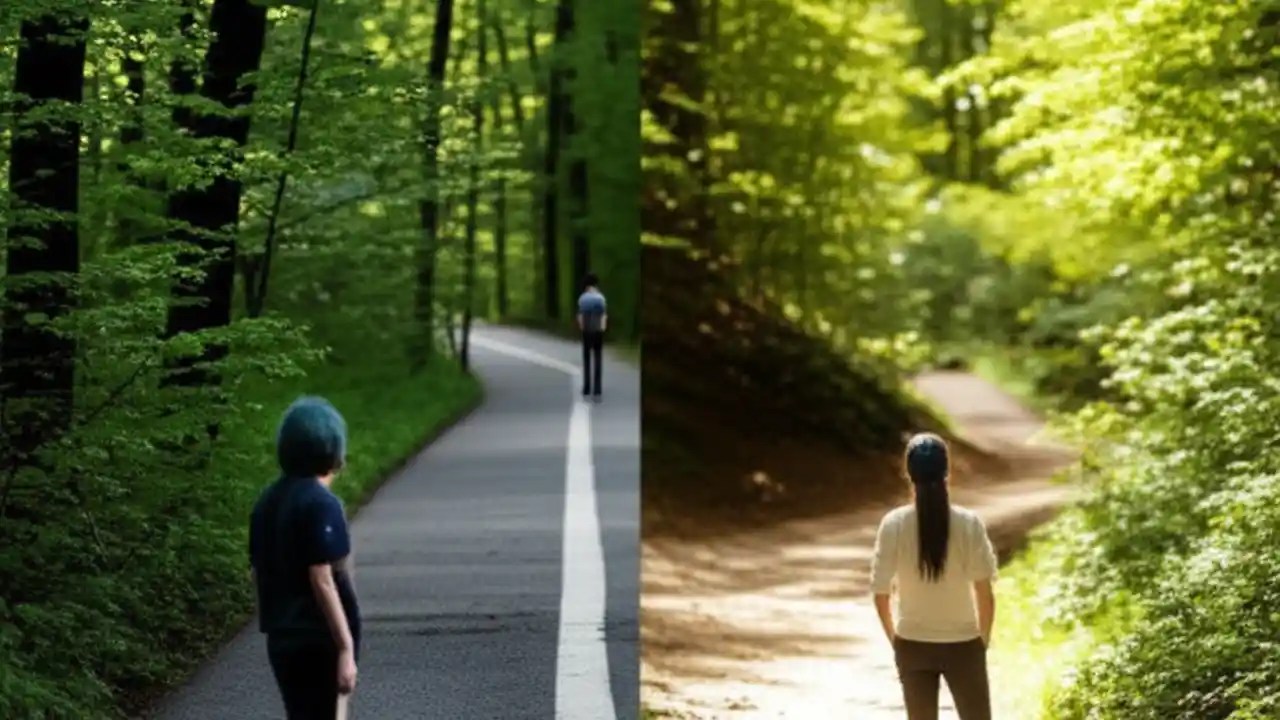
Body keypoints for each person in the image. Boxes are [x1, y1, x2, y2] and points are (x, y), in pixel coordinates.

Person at [870, 432, 997, 720]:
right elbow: (984, 593)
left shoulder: (893, 525)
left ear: (908, 473)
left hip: (912, 642)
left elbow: (880, 593)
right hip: (964, 644)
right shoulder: (968, 524)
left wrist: (897, 641)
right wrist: (982, 643)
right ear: (947, 472)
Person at [250, 396, 362, 719]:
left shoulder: (266, 503)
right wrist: (345, 647)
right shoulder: (320, 503)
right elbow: (323, 578)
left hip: (282, 639)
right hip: (318, 637)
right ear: (333, 451)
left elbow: (257, 572)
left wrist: (272, 620)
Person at [577, 272, 608, 402]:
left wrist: (582, 327)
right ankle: (597, 390)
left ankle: (586, 388)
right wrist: (602, 328)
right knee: (598, 358)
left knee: (586, 359)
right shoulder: (601, 298)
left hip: (587, 330)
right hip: (598, 330)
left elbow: (580, 316)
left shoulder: (582, 298)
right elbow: (604, 316)